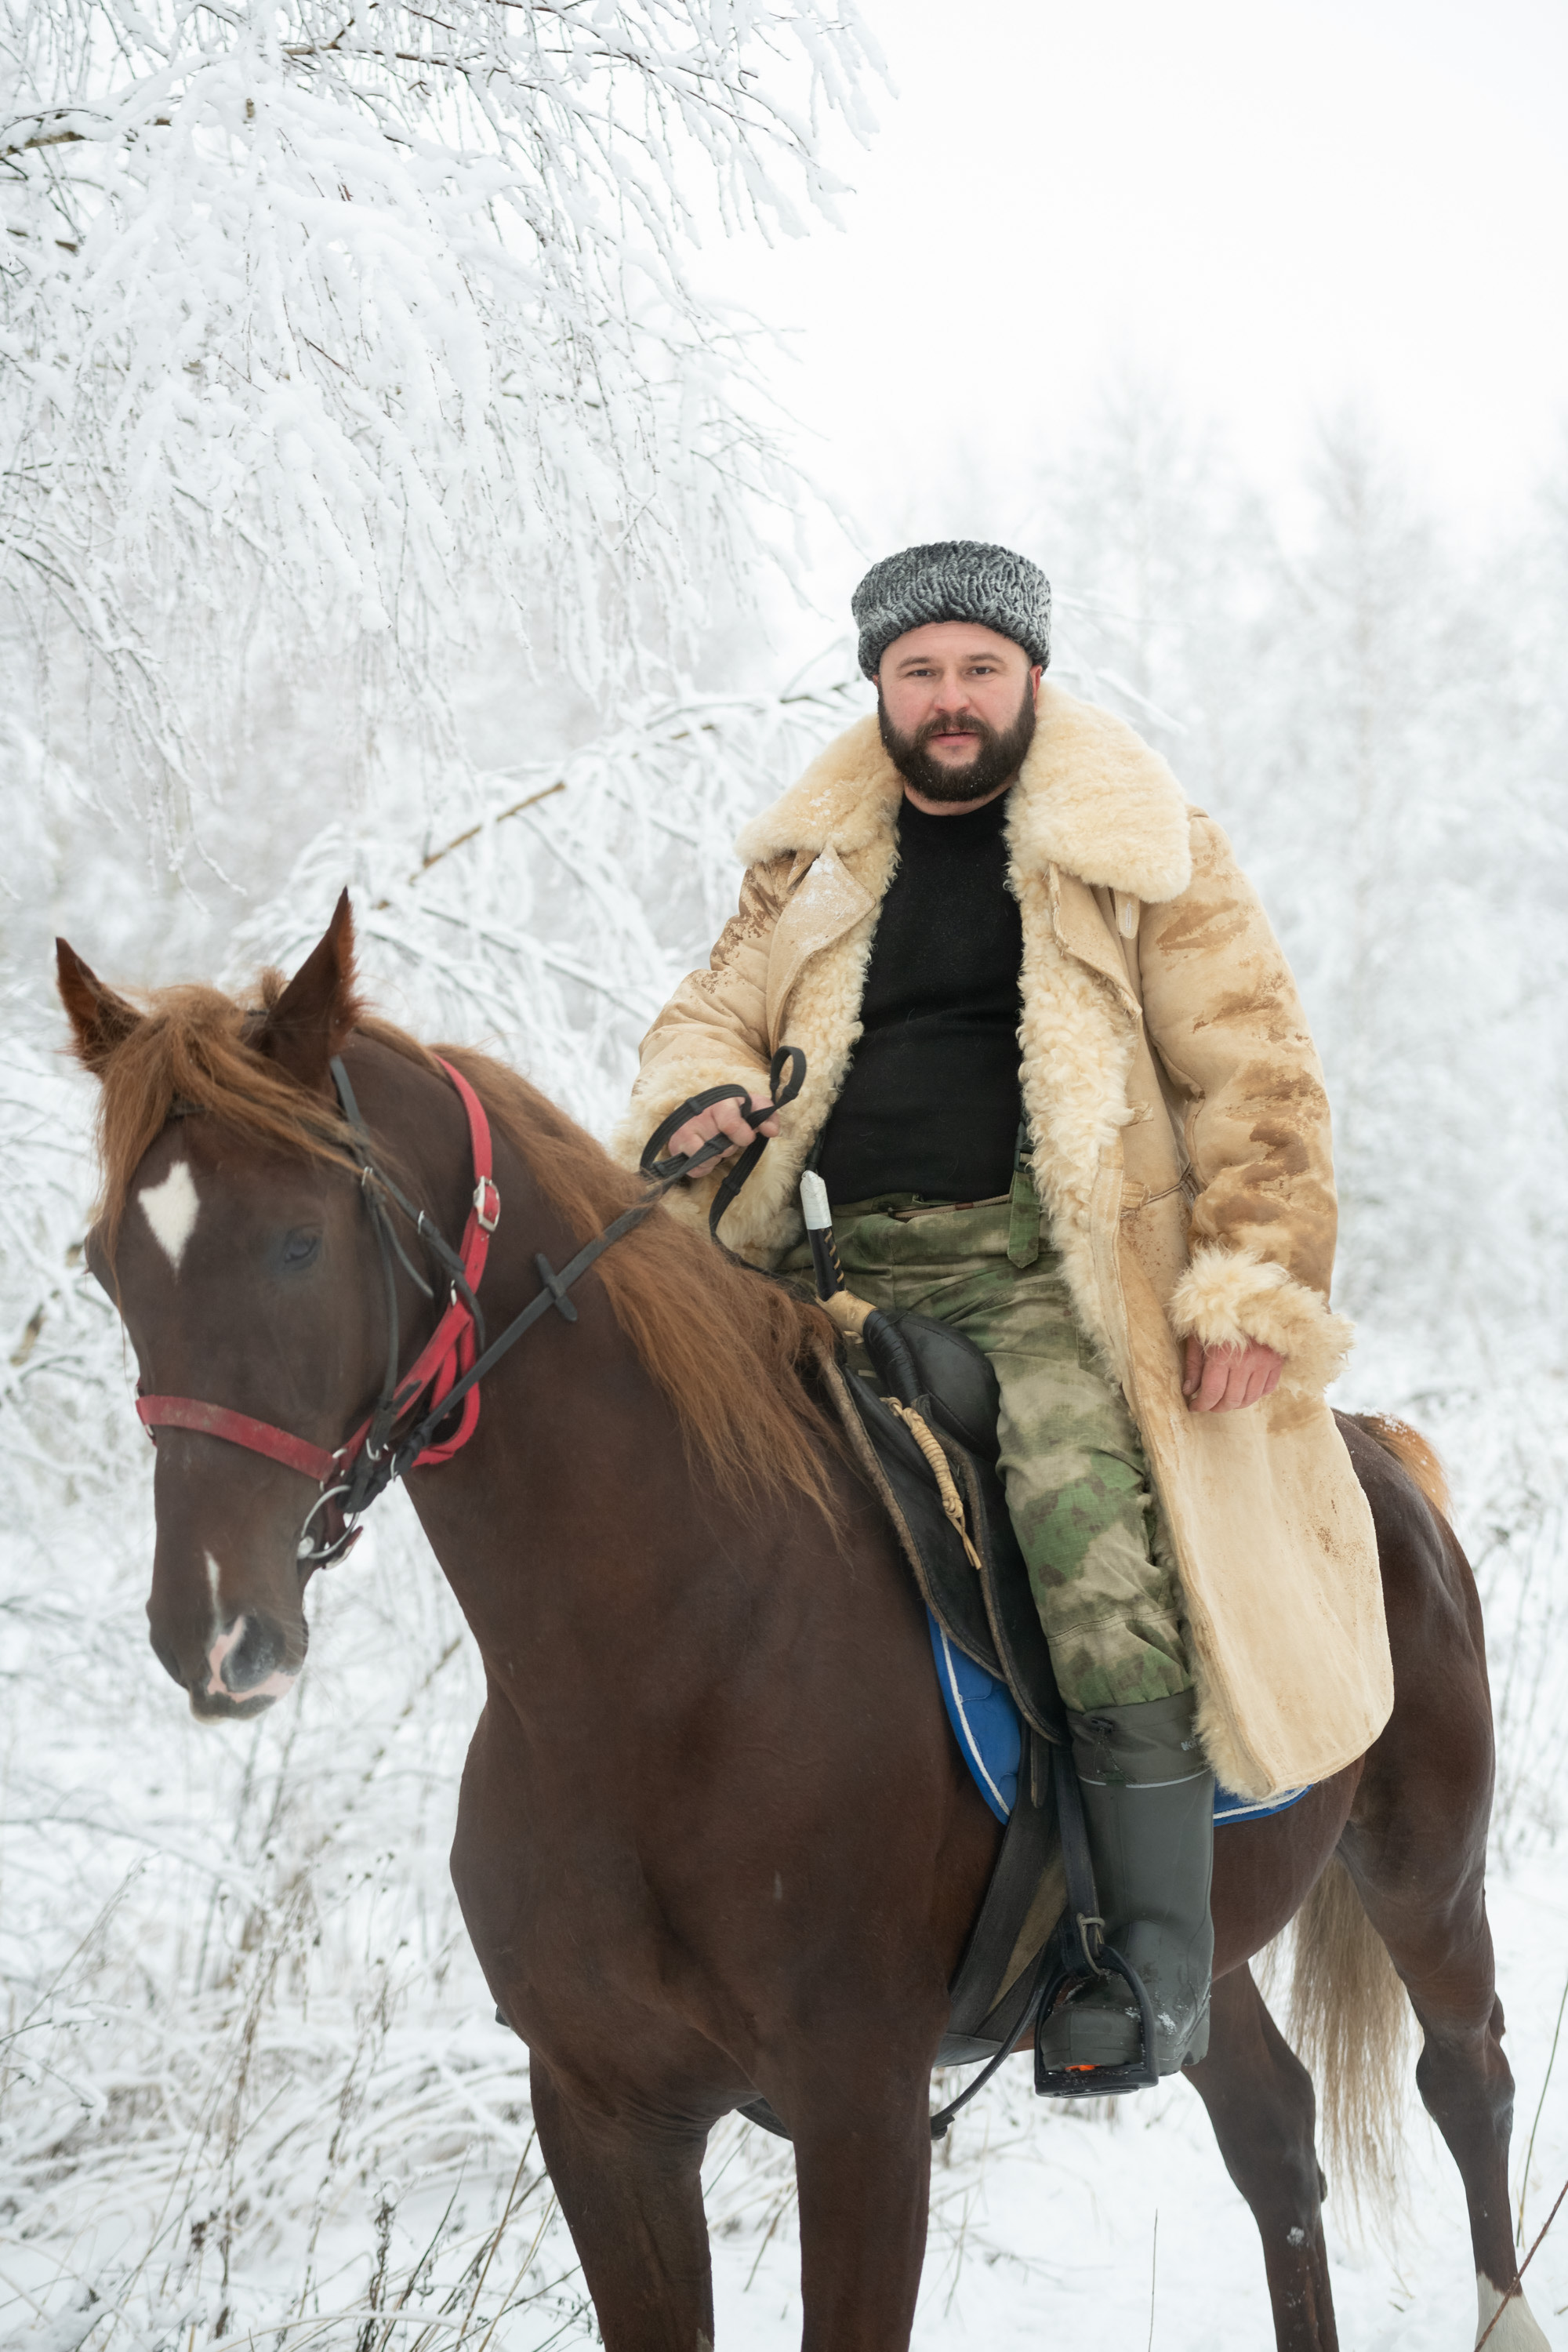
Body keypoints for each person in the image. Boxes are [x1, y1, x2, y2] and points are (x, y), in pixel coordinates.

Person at [614, 540, 1389, 2081]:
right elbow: (710, 1009)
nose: (949, 699)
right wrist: (700, 1093)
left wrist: (1253, 1282)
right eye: (920, 672)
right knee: (639, 1486)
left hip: (1038, 1279)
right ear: (880, 688)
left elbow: (1260, 1085)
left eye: (978, 668)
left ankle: (1152, 1961)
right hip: (807, 1276)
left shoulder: (1140, 848)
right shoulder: (811, 863)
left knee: (1084, 1520)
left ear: (1029, 676)